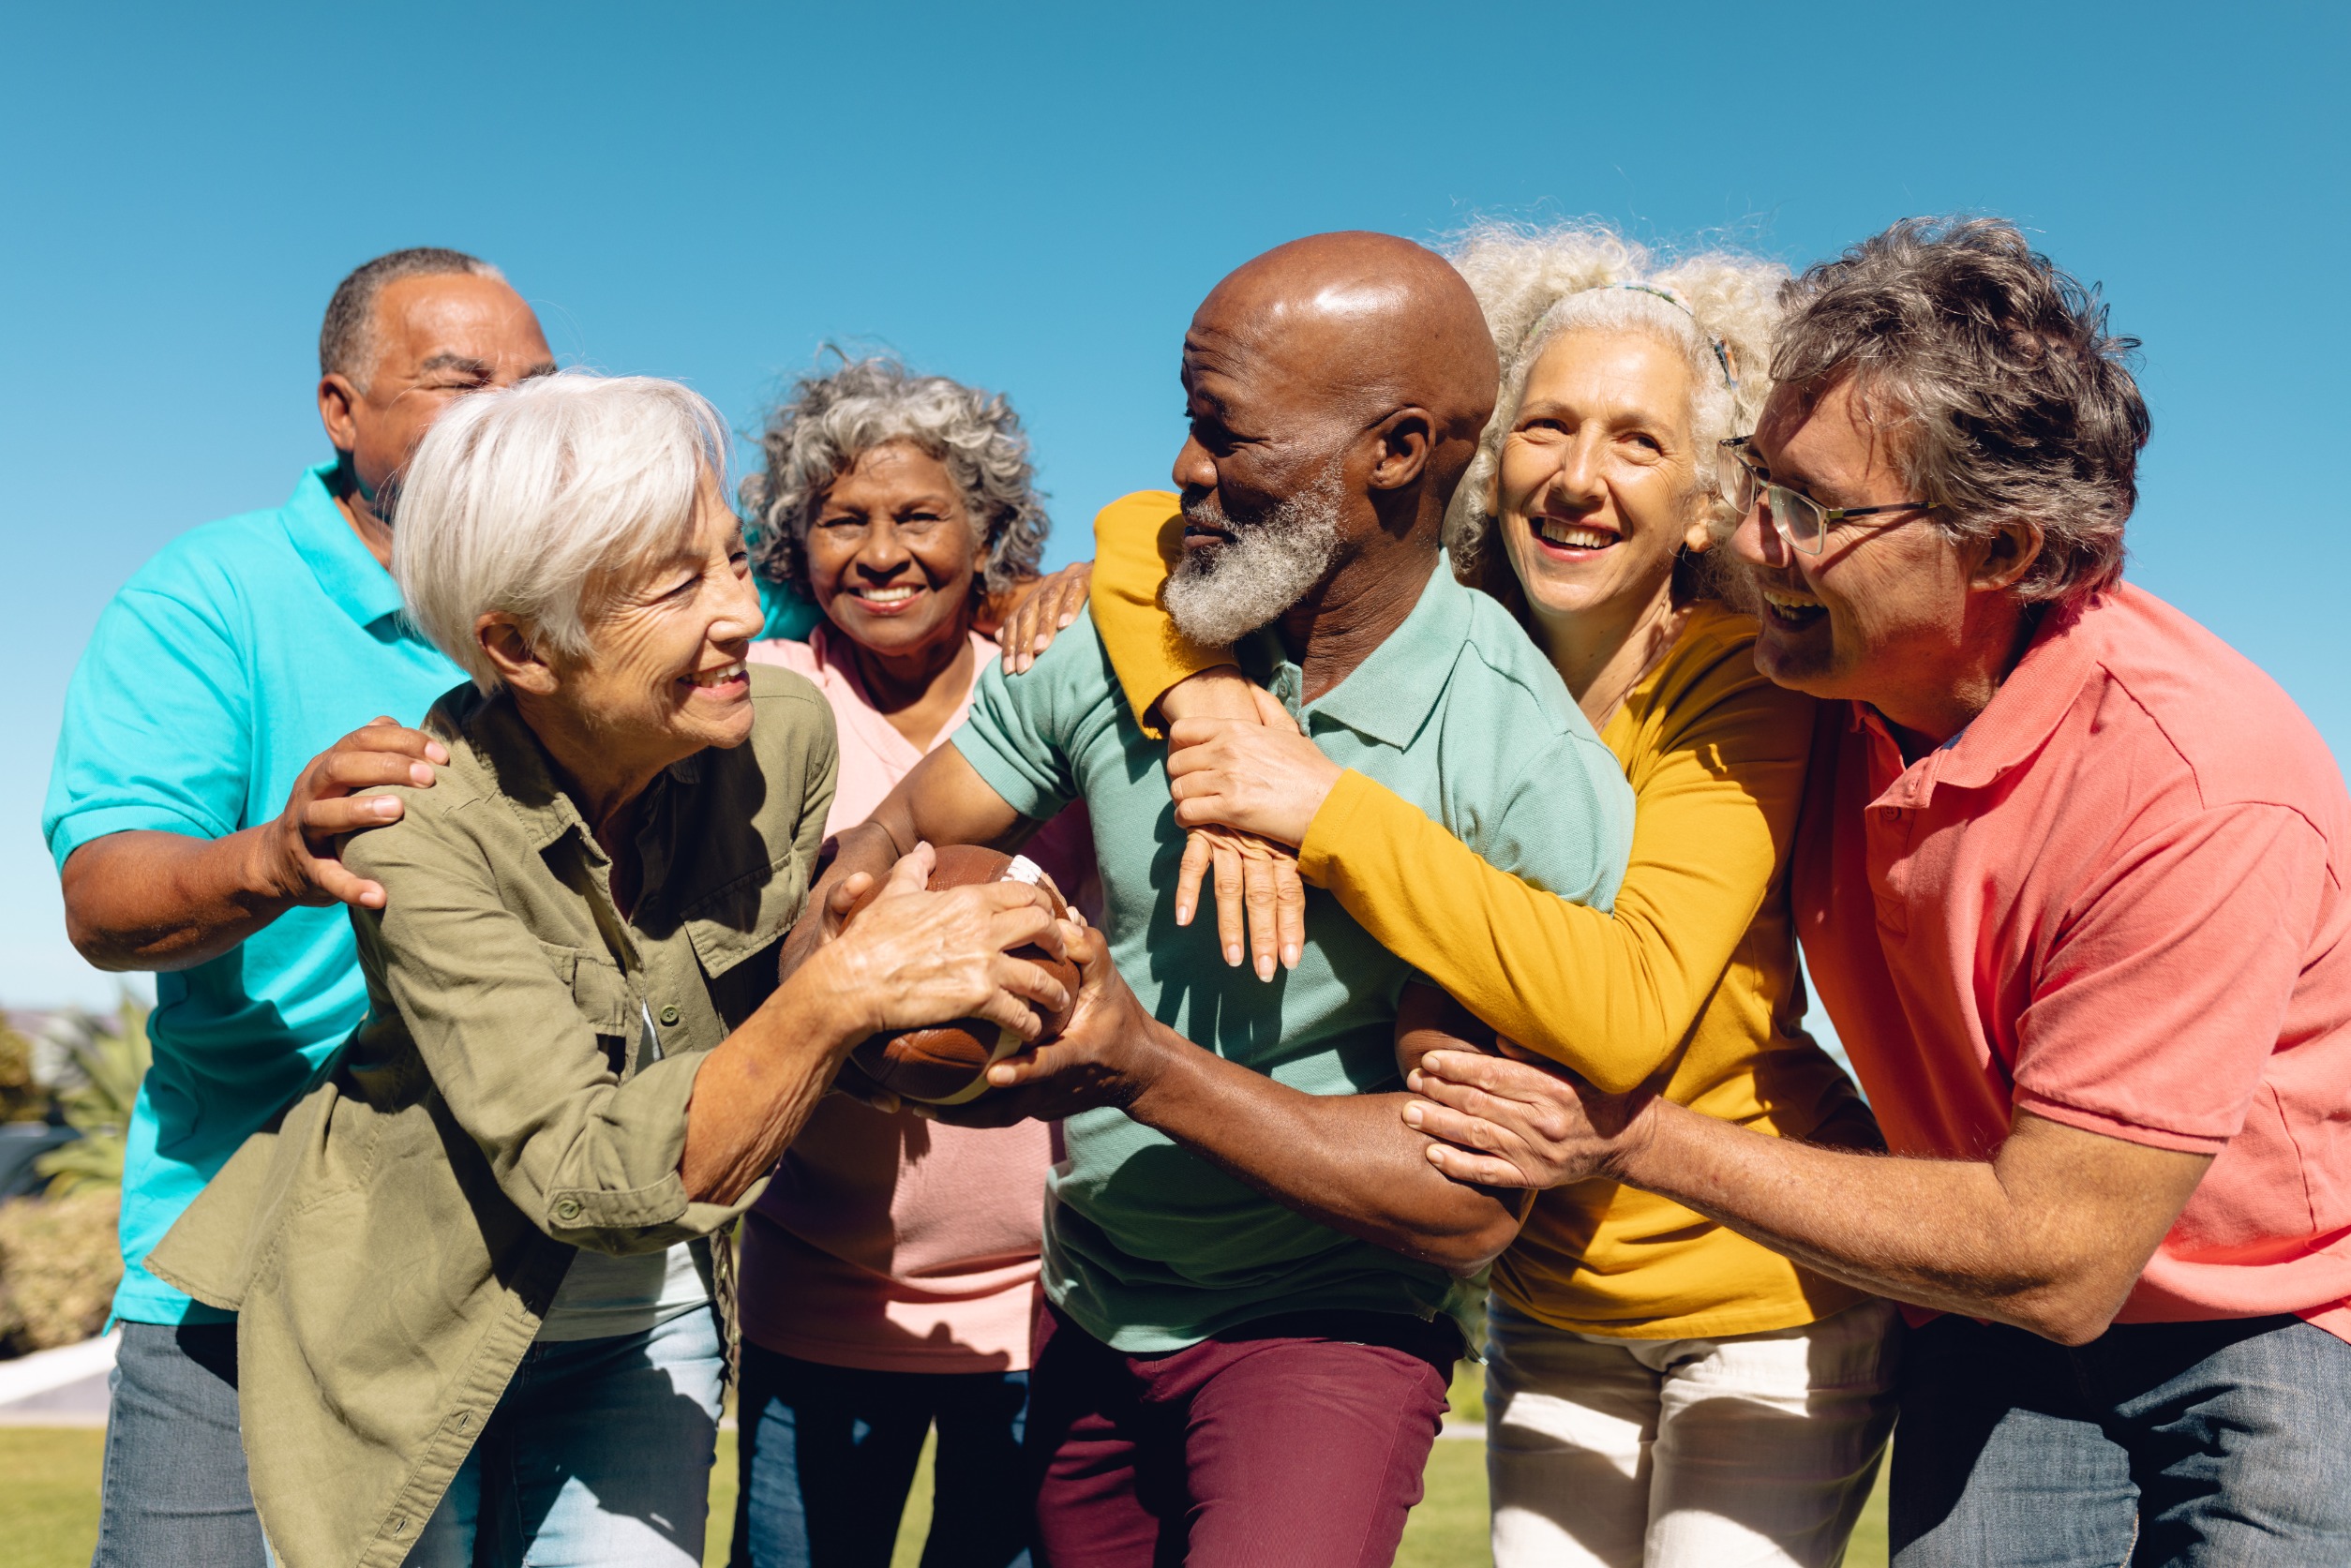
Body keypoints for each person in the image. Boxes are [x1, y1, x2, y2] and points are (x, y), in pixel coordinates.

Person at [1403, 217, 2351, 1565]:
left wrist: (1626, 1137)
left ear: (2007, 553)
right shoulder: (1816, 685)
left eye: (1813, 512)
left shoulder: (2197, 786)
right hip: (1980, 1304)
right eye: (1757, 481)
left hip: (2255, 1310)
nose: (1757, 540)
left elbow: (2060, 1247)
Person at [1011, 223, 1896, 1567]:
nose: (1580, 478)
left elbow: (1628, 1002)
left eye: (1637, 442)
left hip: (1753, 1288)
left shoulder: (1735, 686)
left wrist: (1319, 810)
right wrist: (1193, 690)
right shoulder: (1455, 631)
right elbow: (1144, 526)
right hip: (1550, 1295)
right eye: (1548, 427)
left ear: (1712, 502)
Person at [790, 231, 1635, 1568]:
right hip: (1090, 1309)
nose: (1185, 468)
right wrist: (855, 975)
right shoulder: (1136, 643)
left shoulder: (1520, 765)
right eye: (1188, 423)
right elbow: (901, 826)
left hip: (1325, 1335)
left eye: (1226, 433)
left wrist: (1137, 1064)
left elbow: (1463, 1198)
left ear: (1398, 451)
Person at [144, 372, 1075, 1568]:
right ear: (521, 644)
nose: (738, 613)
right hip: (407, 1318)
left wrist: (921, 990)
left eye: (734, 561)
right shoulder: (412, 825)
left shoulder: (775, 734)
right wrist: (846, 991)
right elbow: (586, 1171)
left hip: (645, 1317)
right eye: (677, 584)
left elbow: (773, 1009)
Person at [44, 246, 553, 1567]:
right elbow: (103, 898)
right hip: (239, 1268)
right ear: (341, 411)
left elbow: (829, 607)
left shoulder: (576, 602)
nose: (509, 413)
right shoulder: (208, 599)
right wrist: (276, 854)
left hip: (519, 1273)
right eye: (462, 381)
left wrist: (1035, 599)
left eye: (536, 386)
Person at [730, 355, 1092, 1568]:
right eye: (842, 520)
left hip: (1046, 1305)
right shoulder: (768, 699)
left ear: (987, 533)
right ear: (796, 546)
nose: (881, 552)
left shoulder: (1058, 679)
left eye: (919, 515)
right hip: (818, 1287)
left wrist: (1111, 581)